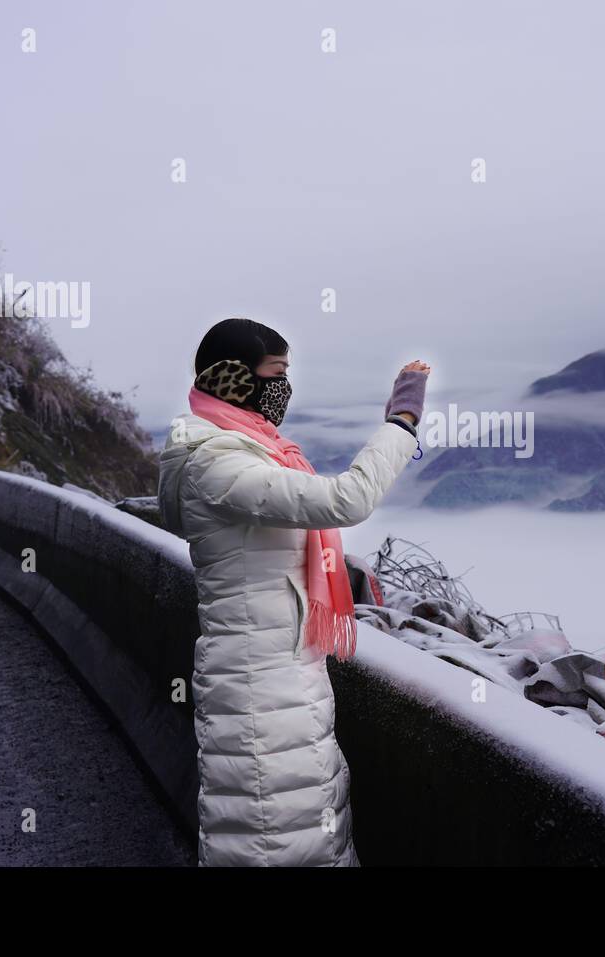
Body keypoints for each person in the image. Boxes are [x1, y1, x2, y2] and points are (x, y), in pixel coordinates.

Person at [156, 317, 429, 866]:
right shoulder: (219, 462)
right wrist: (401, 423)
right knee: (269, 837)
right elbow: (344, 500)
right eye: (276, 373)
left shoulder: (250, 451)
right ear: (234, 378)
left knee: (301, 831)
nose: (284, 387)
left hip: (279, 677)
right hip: (258, 690)